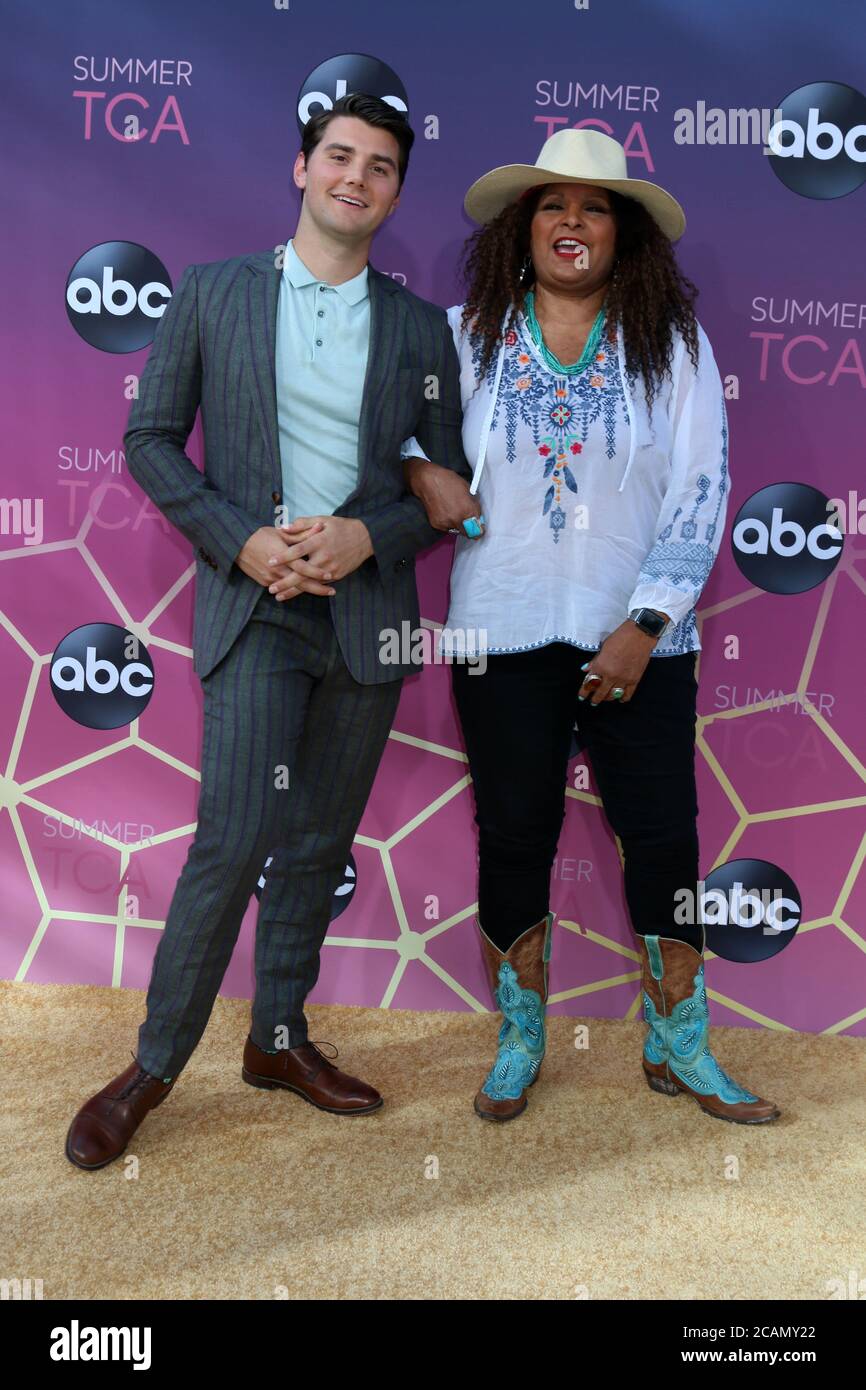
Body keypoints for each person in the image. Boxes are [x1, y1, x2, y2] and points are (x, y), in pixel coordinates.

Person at [65, 93, 474, 1171]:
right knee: (232, 839)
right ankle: (152, 1065)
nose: (356, 177)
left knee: (316, 850)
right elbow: (151, 438)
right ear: (300, 168)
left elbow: (441, 490)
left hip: (363, 621)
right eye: (338, 156)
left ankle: (277, 1041)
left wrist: (359, 535)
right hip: (252, 611)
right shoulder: (210, 295)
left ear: (394, 191)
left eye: (380, 166)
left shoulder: (422, 330)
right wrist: (238, 538)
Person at [402, 128, 780, 1125]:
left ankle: (679, 1048)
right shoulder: (461, 334)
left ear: (624, 233)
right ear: (520, 226)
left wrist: (644, 622)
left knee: (662, 839)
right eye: (551, 204)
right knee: (514, 836)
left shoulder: (670, 340)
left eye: (594, 205)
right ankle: (520, 1041)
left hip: (638, 638)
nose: (571, 221)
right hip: (502, 625)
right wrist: (416, 467)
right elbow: (396, 425)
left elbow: (703, 487)